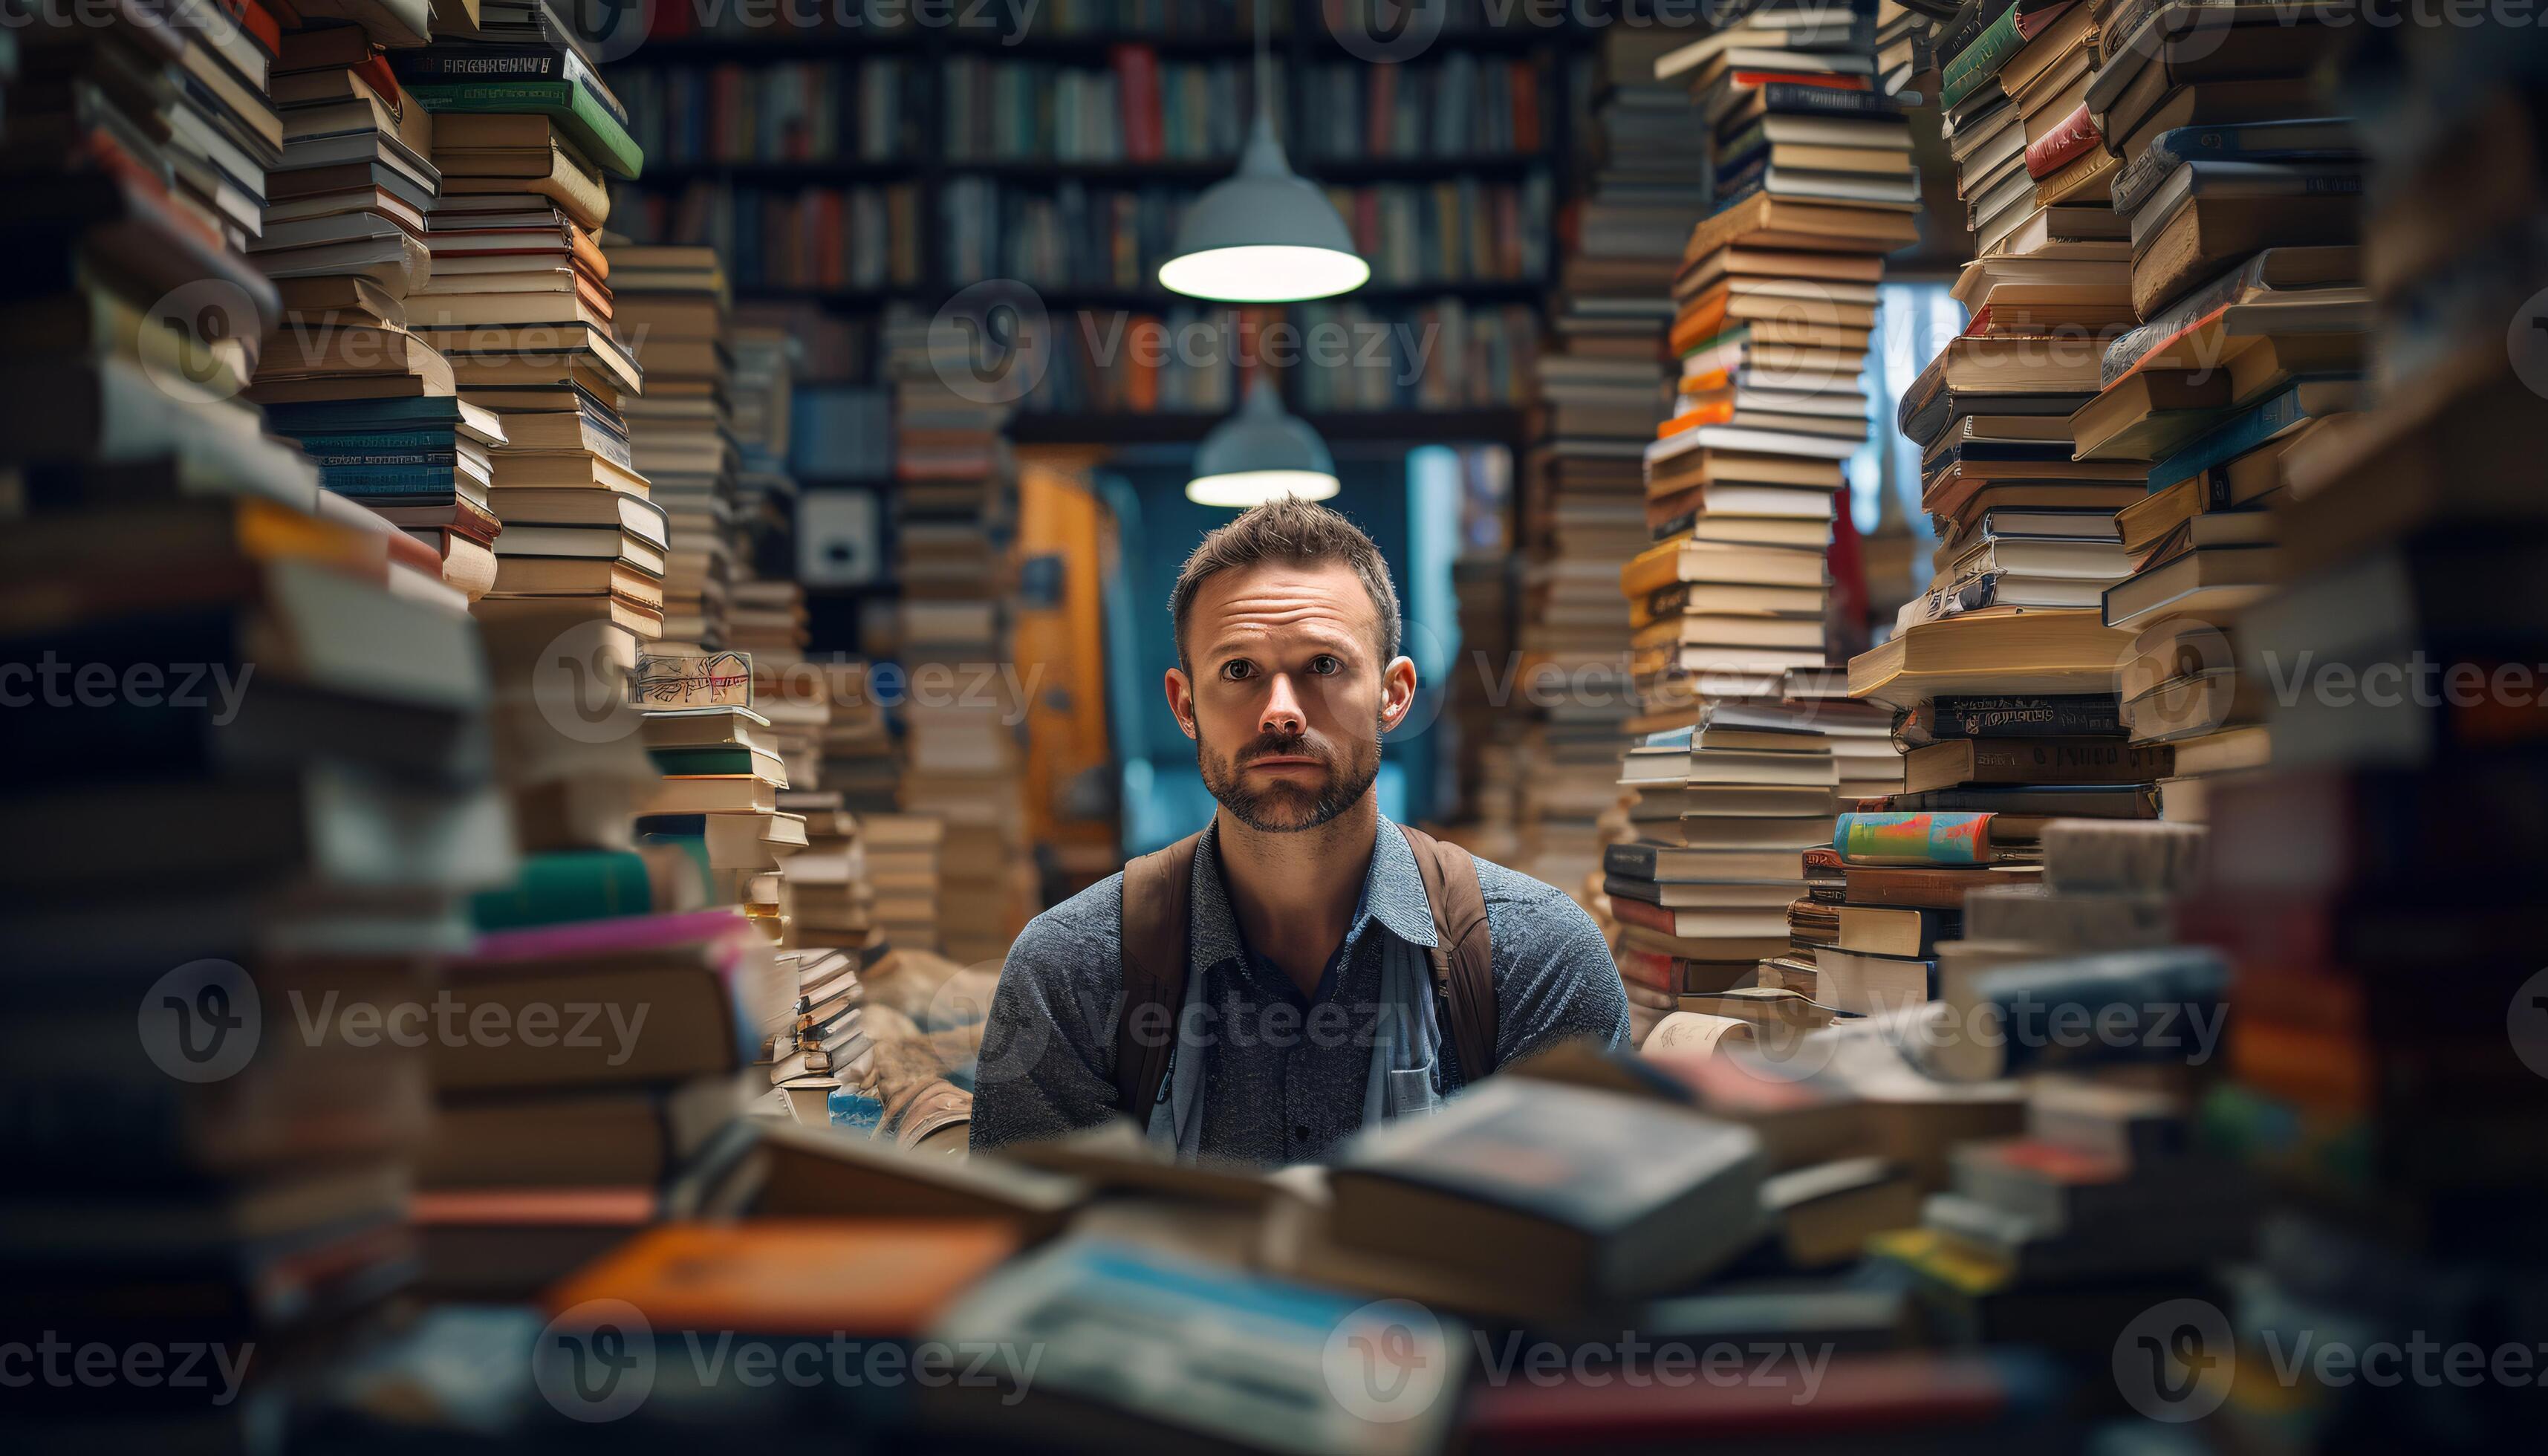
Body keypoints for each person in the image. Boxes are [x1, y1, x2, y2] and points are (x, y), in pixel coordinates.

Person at [972, 497, 1629, 1164]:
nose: (1281, 714)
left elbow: (1579, 1249)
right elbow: (1022, 1248)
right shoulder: (1071, 968)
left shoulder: (1539, 959)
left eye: (1323, 666)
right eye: (1238, 671)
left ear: (1394, 695)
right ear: (1184, 704)